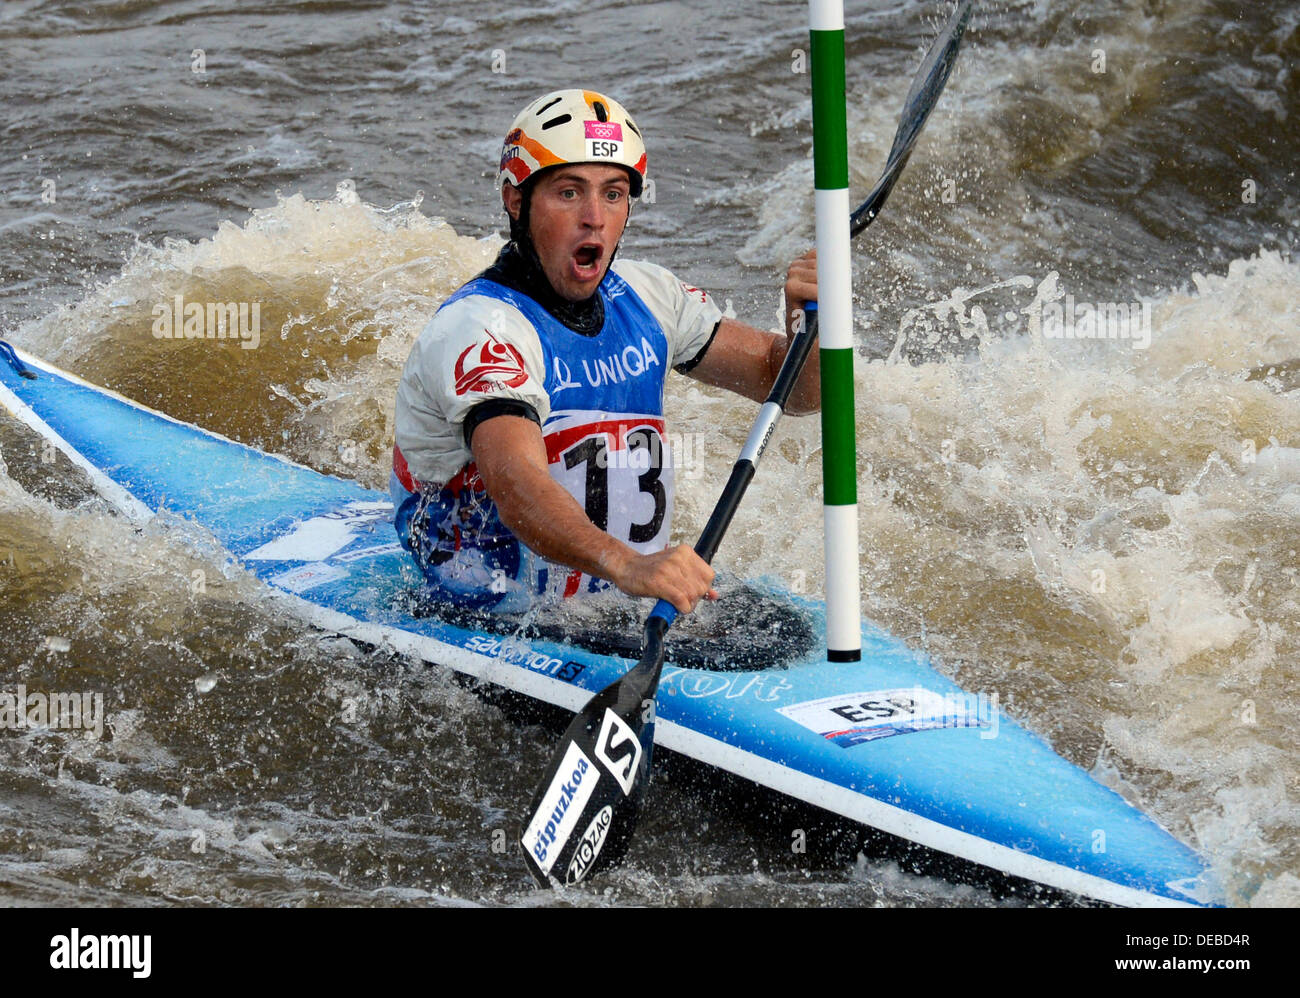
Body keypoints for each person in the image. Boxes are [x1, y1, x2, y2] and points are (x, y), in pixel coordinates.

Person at [391, 89, 819, 616]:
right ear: (515, 199)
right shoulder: (481, 328)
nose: (594, 217)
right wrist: (628, 564)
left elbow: (796, 392)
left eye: (613, 194)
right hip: (481, 614)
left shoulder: (649, 297)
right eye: (569, 193)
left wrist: (812, 326)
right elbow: (514, 481)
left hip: (617, 605)